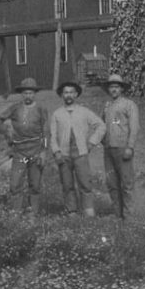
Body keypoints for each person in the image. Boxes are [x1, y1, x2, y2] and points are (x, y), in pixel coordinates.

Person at [48, 80, 106, 216]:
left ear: (76, 95)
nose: (69, 95)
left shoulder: (84, 111)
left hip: (81, 153)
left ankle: (88, 211)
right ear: (62, 95)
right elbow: (52, 135)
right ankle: (71, 211)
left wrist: (91, 143)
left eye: (71, 92)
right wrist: (56, 151)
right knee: (67, 185)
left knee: (85, 184)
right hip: (64, 155)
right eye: (66, 92)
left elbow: (101, 126)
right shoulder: (57, 114)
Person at [0, 77, 49, 213]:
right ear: (21, 94)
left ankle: (33, 213)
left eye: (31, 93)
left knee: (35, 184)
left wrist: (44, 151)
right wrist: (7, 132)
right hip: (20, 152)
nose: (28, 96)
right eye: (25, 93)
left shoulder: (41, 109)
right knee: (15, 183)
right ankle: (16, 212)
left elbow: (46, 131)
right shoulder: (15, 108)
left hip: (36, 151)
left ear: (35, 94)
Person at [100, 73, 140, 219]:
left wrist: (130, 147)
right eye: (111, 87)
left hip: (123, 148)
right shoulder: (107, 106)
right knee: (112, 182)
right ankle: (117, 213)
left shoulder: (129, 105)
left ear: (121, 89)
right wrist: (102, 140)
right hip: (109, 149)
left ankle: (129, 216)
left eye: (117, 87)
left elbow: (134, 127)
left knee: (126, 183)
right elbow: (102, 125)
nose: (114, 89)